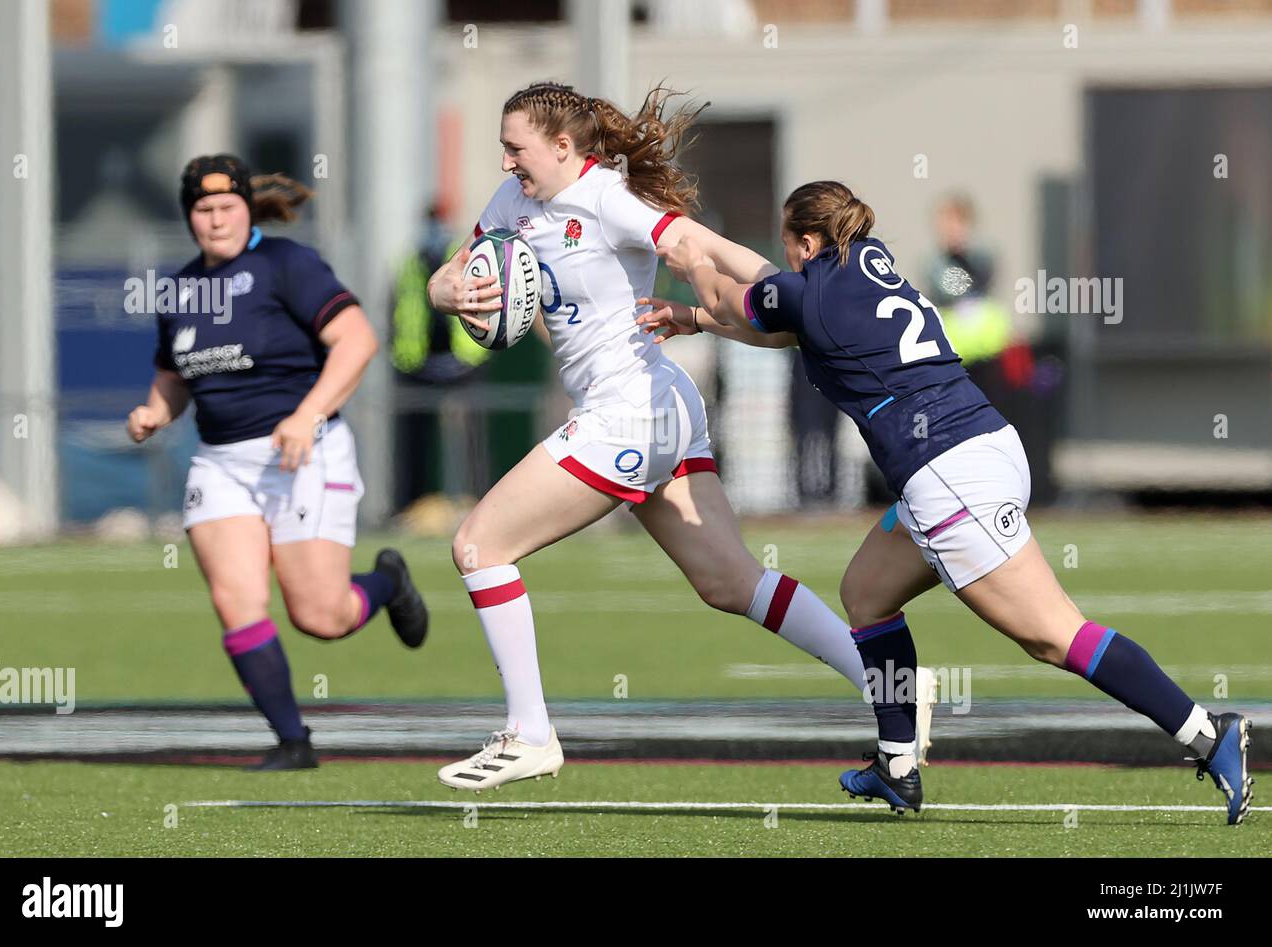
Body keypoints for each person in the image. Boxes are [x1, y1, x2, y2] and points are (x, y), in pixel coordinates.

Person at [641, 180, 1253, 825]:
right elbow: (774, 309)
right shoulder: (864, 266)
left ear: (808, 242)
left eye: (791, 245)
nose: (785, 259)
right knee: (868, 594)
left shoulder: (808, 288)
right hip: (973, 449)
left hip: (950, 473)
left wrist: (694, 267)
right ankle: (897, 766)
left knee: (1052, 635)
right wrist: (693, 318)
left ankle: (1208, 734)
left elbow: (733, 292)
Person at [425, 83, 874, 791]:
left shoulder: (607, 197)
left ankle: (530, 733)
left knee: (479, 546)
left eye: (517, 148)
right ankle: (889, 682)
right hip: (661, 409)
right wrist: (449, 293)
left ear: (564, 147)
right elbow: (451, 275)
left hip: (626, 416)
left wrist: (778, 288)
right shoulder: (511, 203)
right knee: (731, 581)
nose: (506, 160)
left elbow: (695, 241)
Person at [126, 154, 429, 770]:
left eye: (227, 207)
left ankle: (387, 583)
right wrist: (156, 410)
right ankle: (293, 741)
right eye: (203, 210)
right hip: (220, 463)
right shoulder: (180, 288)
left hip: (302, 451)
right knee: (235, 601)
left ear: (247, 206)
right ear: (189, 218)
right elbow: (173, 374)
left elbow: (358, 340)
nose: (216, 220)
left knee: (321, 615)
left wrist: (306, 414)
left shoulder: (286, 264)